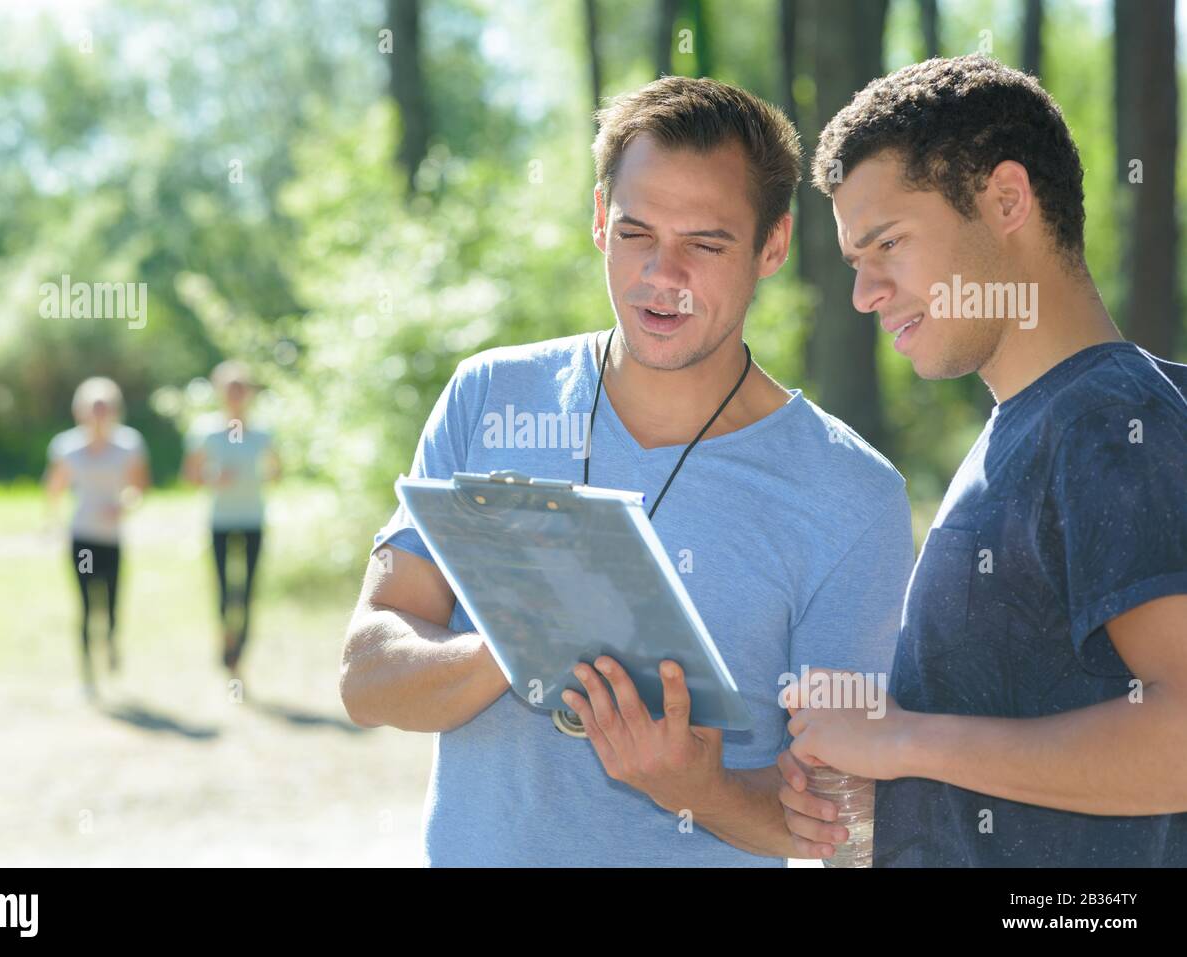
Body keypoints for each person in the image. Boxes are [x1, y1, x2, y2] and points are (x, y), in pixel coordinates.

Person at [340, 76, 915, 866]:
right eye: (637, 233)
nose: (662, 275)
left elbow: (850, 826)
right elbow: (367, 674)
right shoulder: (489, 396)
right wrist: (525, 638)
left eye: (705, 244)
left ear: (772, 246)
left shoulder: (851, 496)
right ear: (600, 221)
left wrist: (699, 789)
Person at [778, 54, 1187, 866]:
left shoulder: (1110, 420)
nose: (865, 293)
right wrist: (874, 784)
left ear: (1006, 199)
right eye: (857, 261)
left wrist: (904, 740)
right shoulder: (1036, 425)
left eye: (887, 242)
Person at [45, 376, 150, 694]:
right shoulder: (66, 446)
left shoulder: (129, 444)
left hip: (112, 537)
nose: (99, 414)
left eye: (105, 408)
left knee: (113, 603)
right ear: (81, 411)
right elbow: (55, 486)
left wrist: (125, 505)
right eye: (94, 408)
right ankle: (88, 673)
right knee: (88, 605)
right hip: (83, 539)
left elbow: (139, 486)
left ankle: (112, 645)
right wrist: (51, 520)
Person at [182, 361, 279, 681]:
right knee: (225, 589)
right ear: (220, 393)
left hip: (253, 519)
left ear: (250, 393)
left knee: (248, 588)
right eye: (230, 389)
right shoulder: (205, 431)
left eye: (242, 389)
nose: (237, 395)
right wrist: (214, 477)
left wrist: (266, 474)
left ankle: (240, 653)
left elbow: (276, 473)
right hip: (221, 521)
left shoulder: (263, 433)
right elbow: (190, 476)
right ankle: (226, 643)